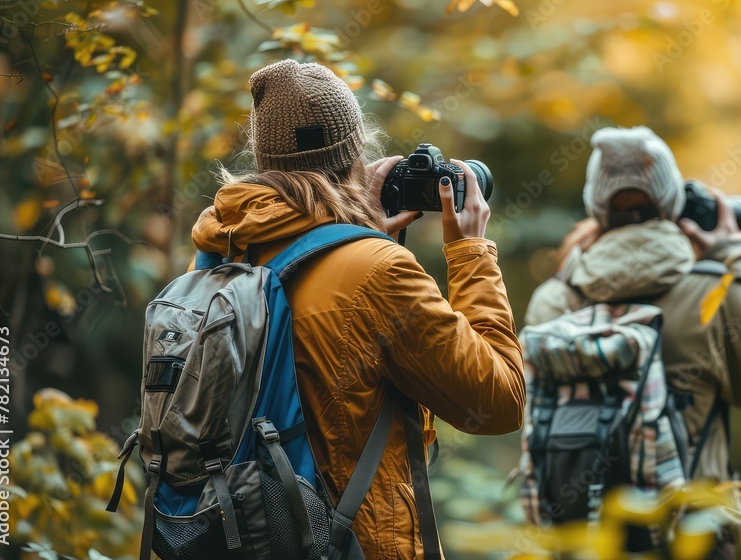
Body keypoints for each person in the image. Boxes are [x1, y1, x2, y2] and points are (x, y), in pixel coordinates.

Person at [190, 59, 525, 559]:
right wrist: (470, 251)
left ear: (264, 161)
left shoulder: (219, 253)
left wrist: (353, 231)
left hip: (241, 538)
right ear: (354, 154)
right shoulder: (378, 272)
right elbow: (499, 402)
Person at [525, 126, 741, 558]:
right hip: (694, 541)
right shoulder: (714, 291)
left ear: (597, 206)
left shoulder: (554, 300)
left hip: (585, 545)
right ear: (670, 203)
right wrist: (736, 261)